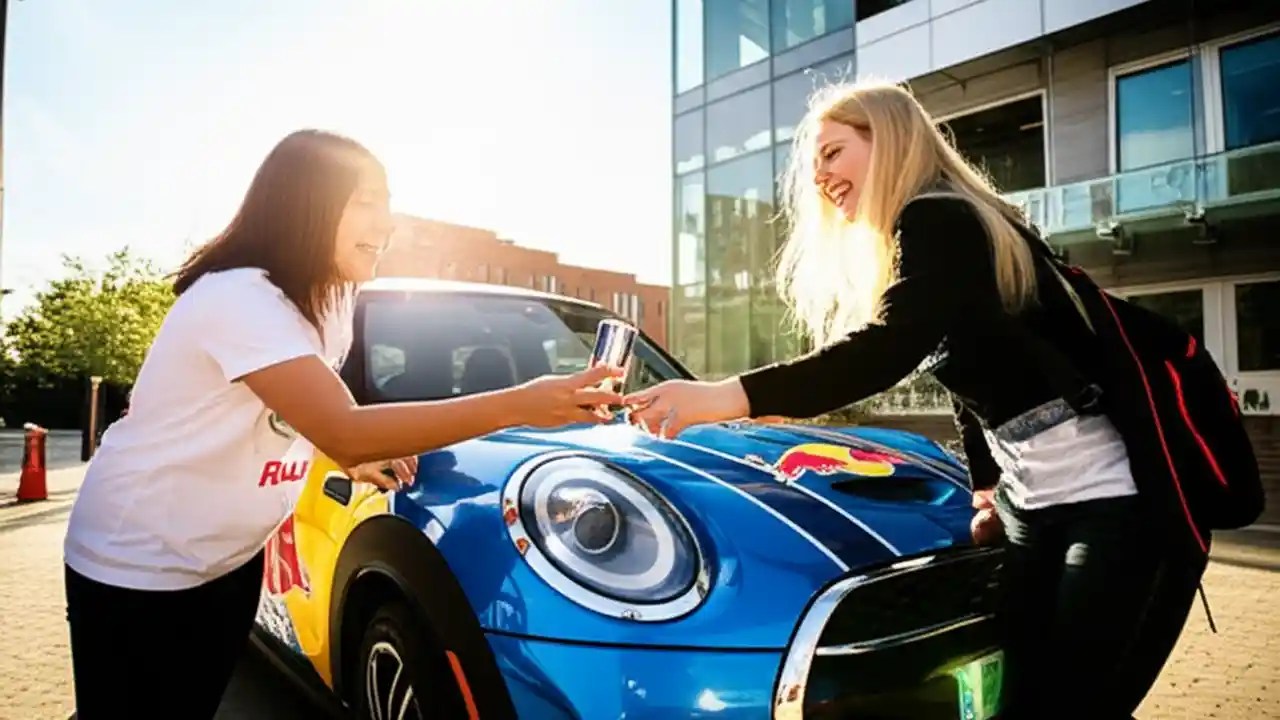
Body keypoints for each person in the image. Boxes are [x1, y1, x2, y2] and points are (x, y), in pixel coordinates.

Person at [624, 80, 1207, 719]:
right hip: (1033, 507)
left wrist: (720, 397)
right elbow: (969, 379)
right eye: (814, 161)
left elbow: (883, 351)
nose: (819, 176)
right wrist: (987, 488)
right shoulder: (944, 225)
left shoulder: (939, 216)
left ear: (890, 139)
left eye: (832, 152)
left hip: (1116, 502)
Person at [62, 129, 623, 719]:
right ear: (304, 203)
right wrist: (521, 403)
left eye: (388, 203)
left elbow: (304, 415)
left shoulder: (331, 301)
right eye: (366, 201)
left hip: (228, 559)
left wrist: (340, 453)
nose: (387, 223)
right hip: (137, 564)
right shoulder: (237, 298)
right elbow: (344, 425)